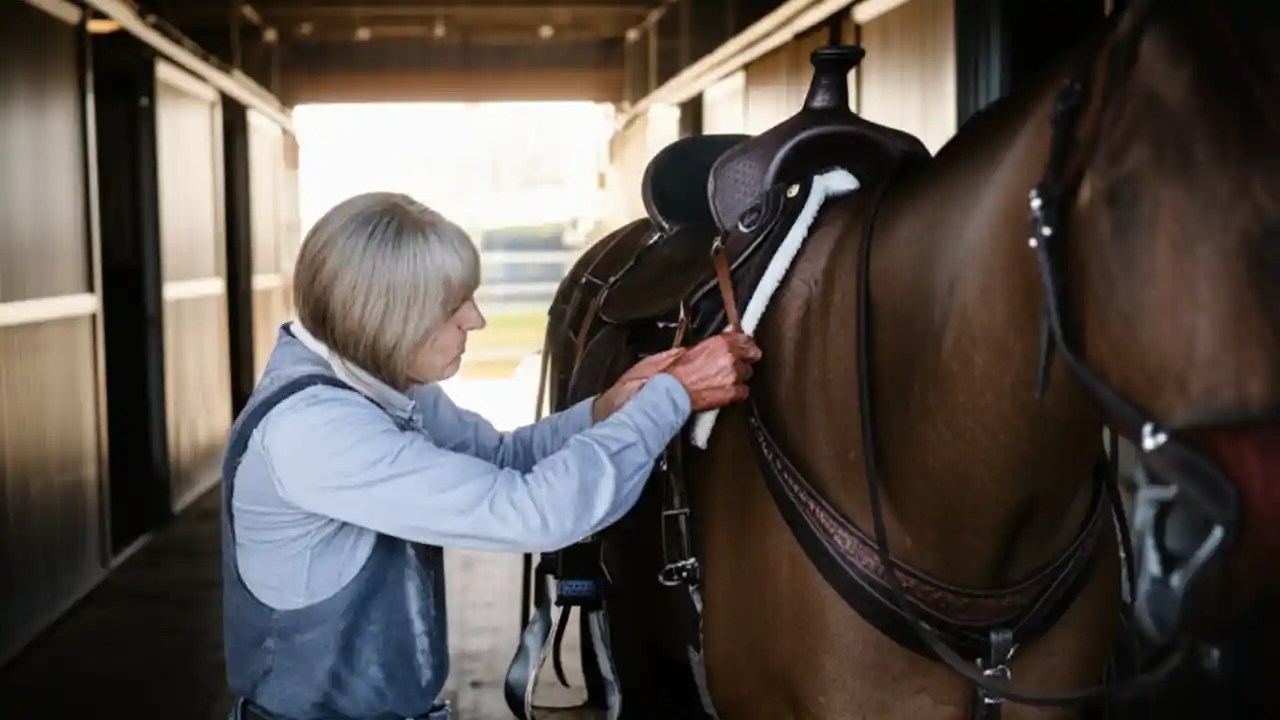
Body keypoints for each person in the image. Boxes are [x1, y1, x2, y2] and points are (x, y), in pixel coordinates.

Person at [221, 191, 761, 720]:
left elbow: (502, 457)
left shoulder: (380, 385)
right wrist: (673, 399)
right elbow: (535, 512)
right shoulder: (315, 432)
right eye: (453, 306)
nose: (475, 321)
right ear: (387, 315)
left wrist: (608, 409)